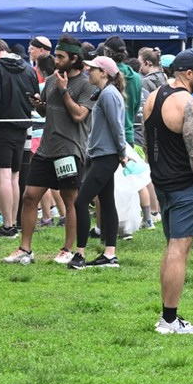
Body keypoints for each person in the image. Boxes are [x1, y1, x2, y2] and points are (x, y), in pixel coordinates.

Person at [7, 37, 95, 265]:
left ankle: (67, 249)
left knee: (70, 200)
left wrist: (65, 91)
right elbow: (47, 112)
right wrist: (39, 105)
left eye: (60, 57)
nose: (55, 60)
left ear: (74, 59)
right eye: (55, 55)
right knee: (29, 197)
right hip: (46, 149)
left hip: (69, 150)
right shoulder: (50, 80)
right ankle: (25, 249)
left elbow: (78, 115)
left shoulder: (87, 86)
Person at [143, 49, 193, 333]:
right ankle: (169, 320)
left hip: (163, 183)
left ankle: (168, 316)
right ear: (188, 73)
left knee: (172, 247)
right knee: (178, 249)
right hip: (186, 185)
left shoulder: (152, 97)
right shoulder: (188, 104)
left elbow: (148, 144)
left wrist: (157, 174)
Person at [68, 55, 131, 268]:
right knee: (107, 202)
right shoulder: (105, 93)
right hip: (102, 155)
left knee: (81, 201)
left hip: (106, 156)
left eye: (93, 68)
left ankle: (80, 254)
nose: (88, 71)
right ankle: (109, 254)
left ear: (104, 72)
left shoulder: (108, 95)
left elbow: (116, 126)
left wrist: (122, 151)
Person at [0, 38, 37, 236]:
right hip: (22, 126)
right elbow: (34, 97)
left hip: (1, 127)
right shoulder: (27, 68)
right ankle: (13, 223)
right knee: (14, 176)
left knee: (4, 175)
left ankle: (8, 225)